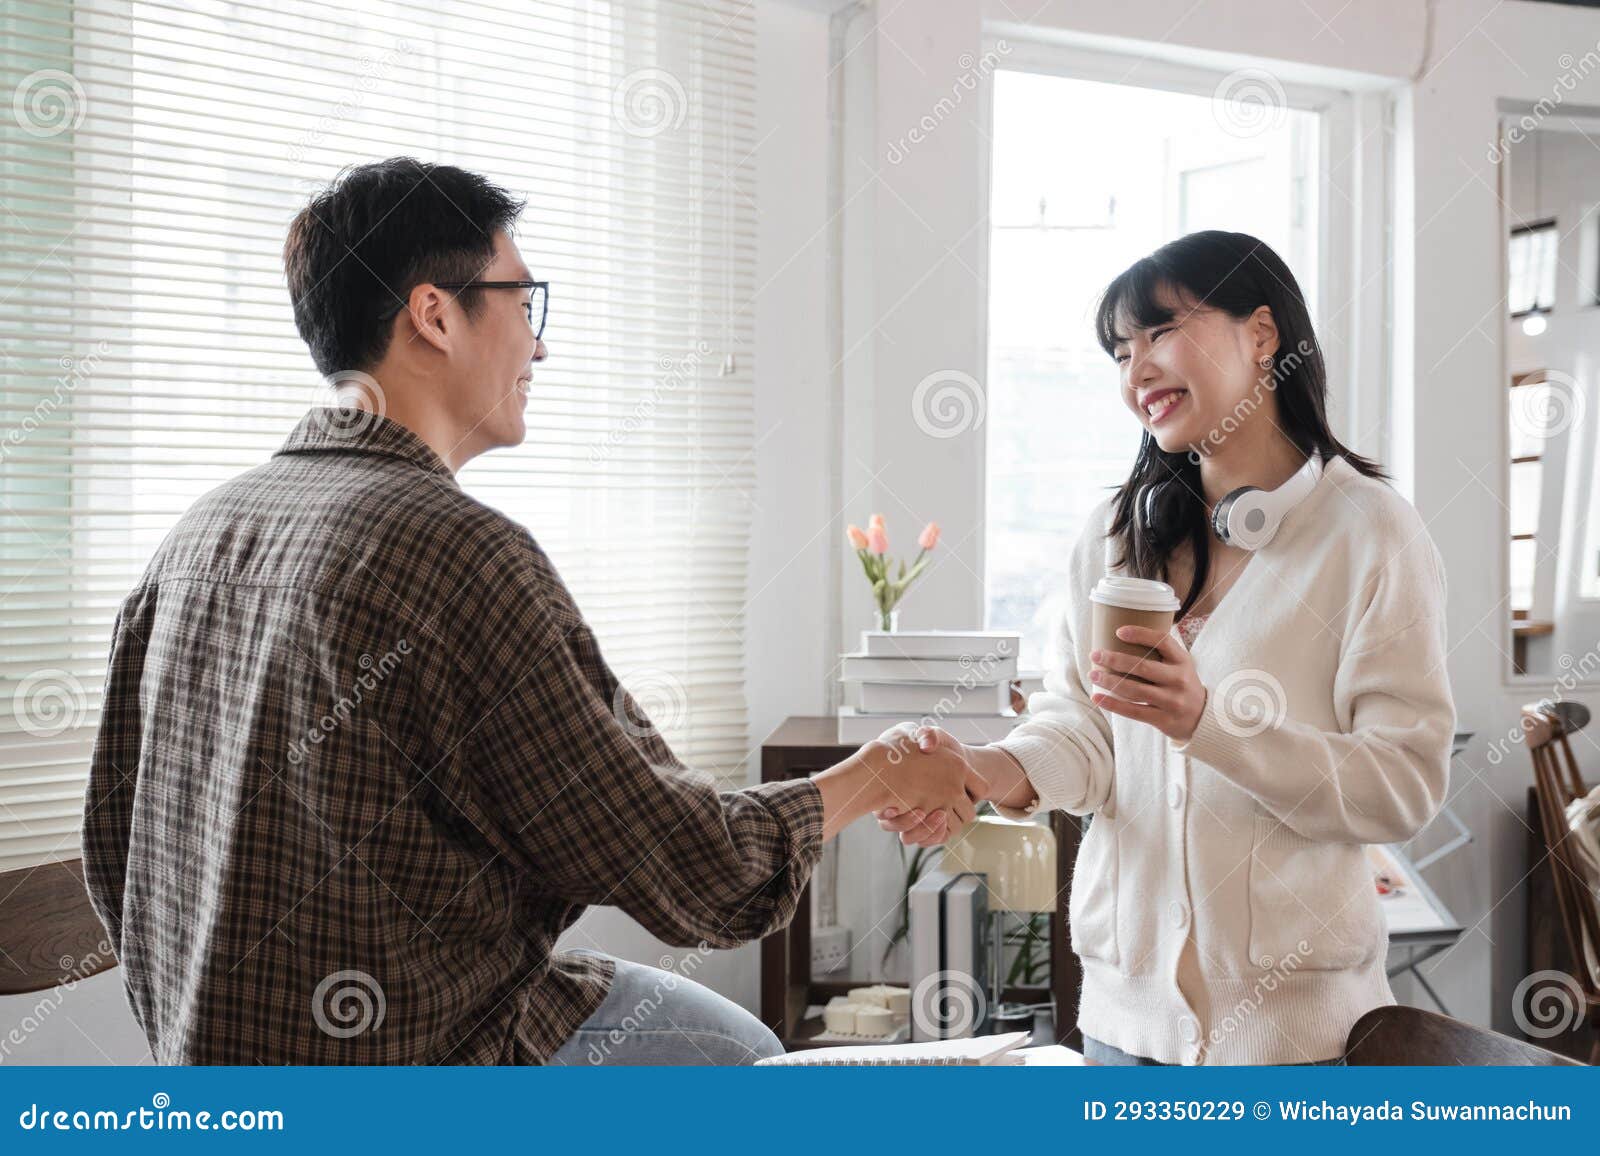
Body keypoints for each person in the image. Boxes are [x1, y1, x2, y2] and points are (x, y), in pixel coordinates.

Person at [81, 157, 980, 1066]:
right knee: (740, 1058)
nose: (539, 345)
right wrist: (881, 772)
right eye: (524, 301)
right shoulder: (457, 554)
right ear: (435, 315)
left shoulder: (197, 537)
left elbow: (114, 862)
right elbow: (700, 872)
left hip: (208, 1069)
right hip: (425, 1062)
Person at [878, 230, 1455, 1066]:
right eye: (1120, 351)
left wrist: (1209, 726)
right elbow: (1082, 729)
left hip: (1298, 1047)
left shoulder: (1372, 535)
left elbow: (1399, 789)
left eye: (1158, 333)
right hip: (1121, 1027)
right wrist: (988, 769)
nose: (1136, 370)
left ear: (1262, 335)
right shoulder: (1119, 533)